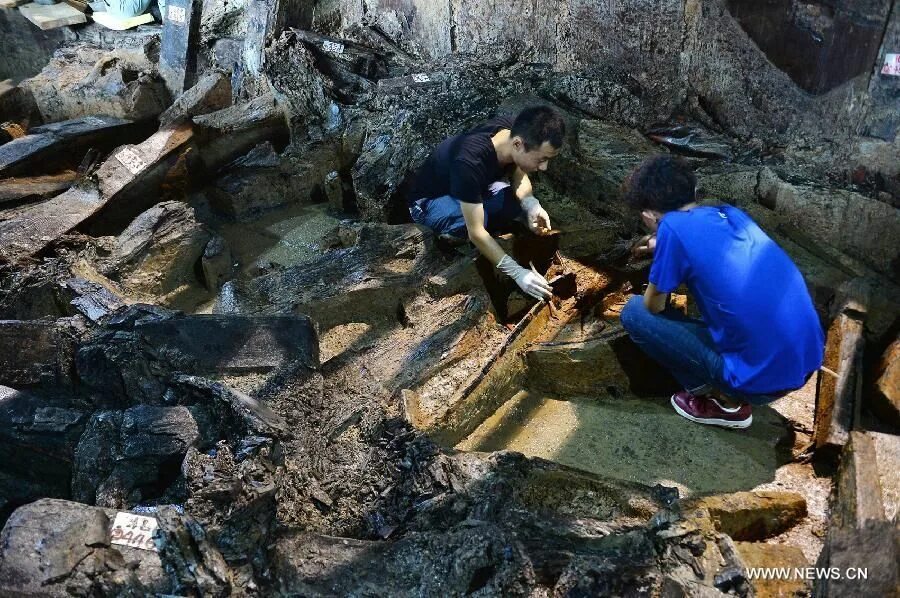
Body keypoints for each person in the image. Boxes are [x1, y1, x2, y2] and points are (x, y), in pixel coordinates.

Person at [619, 155, 824, 429]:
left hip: (759, 384)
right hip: (807, 362)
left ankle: (721, 401)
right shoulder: (731, 214)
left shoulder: (671, 228)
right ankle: (726, 385)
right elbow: (699, 238)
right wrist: (664, 244)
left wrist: (664, 249)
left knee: (633, 312)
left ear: (648, 215)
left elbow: (653, 305)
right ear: (692, 192)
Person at [407, 106, 565, 301]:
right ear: (517, 144)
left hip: (475, 187)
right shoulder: (470, 161)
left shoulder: (517, 129)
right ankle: (451, 237)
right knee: (470, 224)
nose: (544, 167)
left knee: (513, 206)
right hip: (431, 200)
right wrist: (517, 273)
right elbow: (477, 233)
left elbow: (518, 172)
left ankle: (479, 213)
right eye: (542, 159)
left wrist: (531, 203)